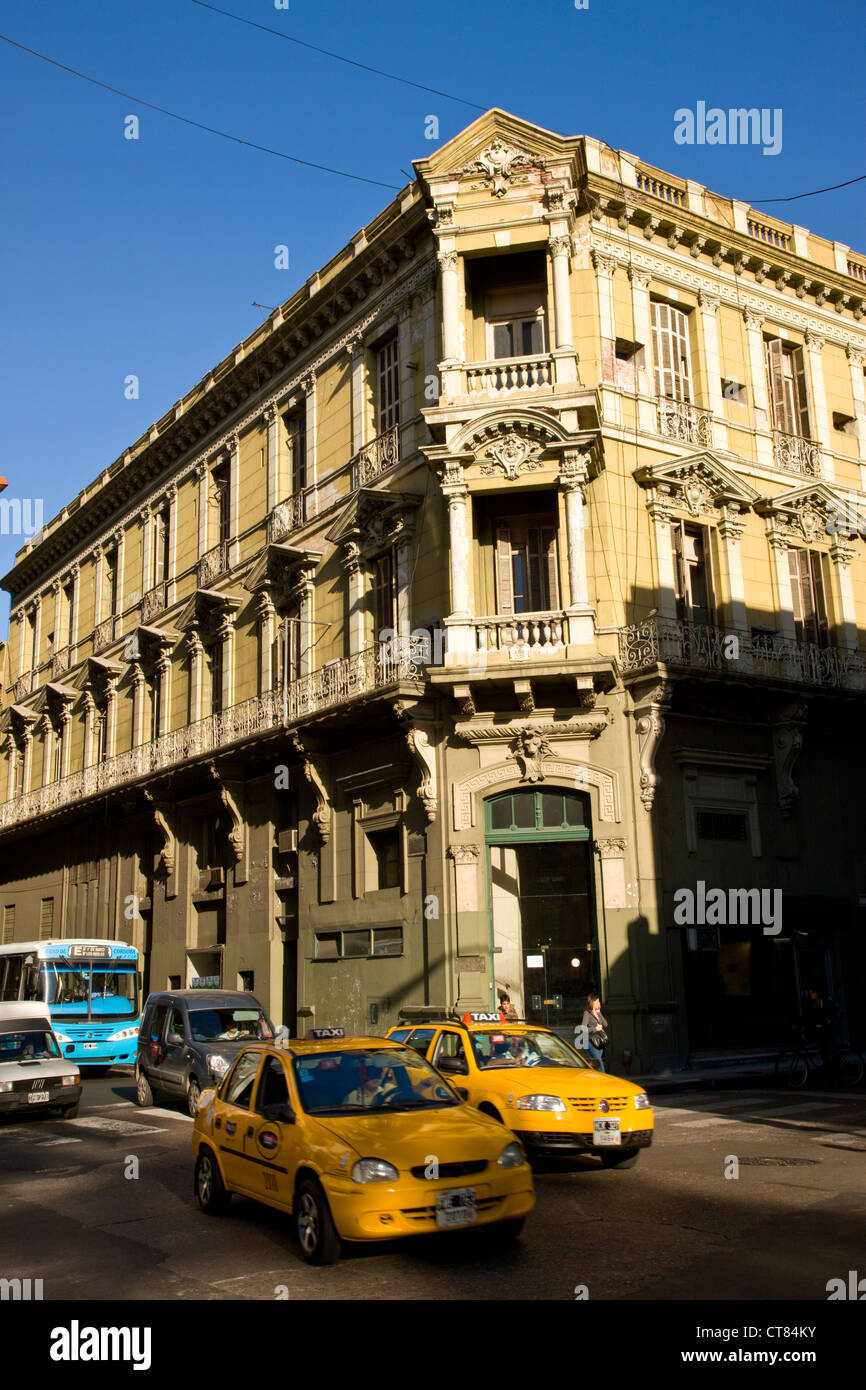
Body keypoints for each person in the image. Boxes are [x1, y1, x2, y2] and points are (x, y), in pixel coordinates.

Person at [802, 987, 838, 1075]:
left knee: (829, 1050)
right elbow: (809, 1017)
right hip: (822, 1030)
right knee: (823, 1050)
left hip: (830, 1029)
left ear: (817, 993)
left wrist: (823, 1023)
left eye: (812, 993)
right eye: (810, 993)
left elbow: (831, 1015)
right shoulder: (814, 1004)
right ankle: (829, 1070)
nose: (811, 995)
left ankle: (835, 1071)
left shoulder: (826, 1001)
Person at [582, 993, 609, 1071]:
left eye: (599, 1001)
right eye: (597, 1001)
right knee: (600, 1064)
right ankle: (603, 1080)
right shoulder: (587, 1013)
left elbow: (605, 1024)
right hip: (590, 1041)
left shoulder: (597, 1013)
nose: (599, 1003)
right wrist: (595, 1029)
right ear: (592, 1003)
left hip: (599, 1041)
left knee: (596, 1064)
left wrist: (599, 1012)